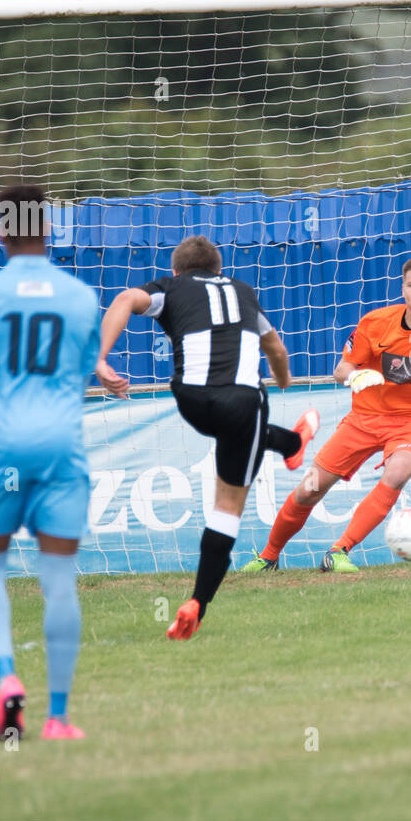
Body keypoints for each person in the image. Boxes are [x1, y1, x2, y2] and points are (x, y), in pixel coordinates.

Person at [95, 236, 317, 640]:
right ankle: (198, 602)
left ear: (177, 271)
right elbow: (277, 350)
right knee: (227, 507)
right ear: (219, 270)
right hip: (242, 403)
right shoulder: (244, 292)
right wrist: (283, 382)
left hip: (190, 400)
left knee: (241, 432)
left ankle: (289, 444)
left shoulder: (171, 287)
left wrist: (101, 360)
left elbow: (126, 298)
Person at [0, 184, 100, 740]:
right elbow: (83, 369)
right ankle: (58, 718)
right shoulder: (81, 297)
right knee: (59, 580)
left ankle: (8, 679)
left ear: (0, 230)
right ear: (50, 228)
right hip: (60, 448)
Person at [242, 257, 411, 575]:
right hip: (364, 418)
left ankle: (339, 552)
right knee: (309, 489)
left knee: (397, 472)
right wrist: (352, 378)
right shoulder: (375, 322)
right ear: (403, 288)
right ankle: (268, 557)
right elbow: (342, 368)